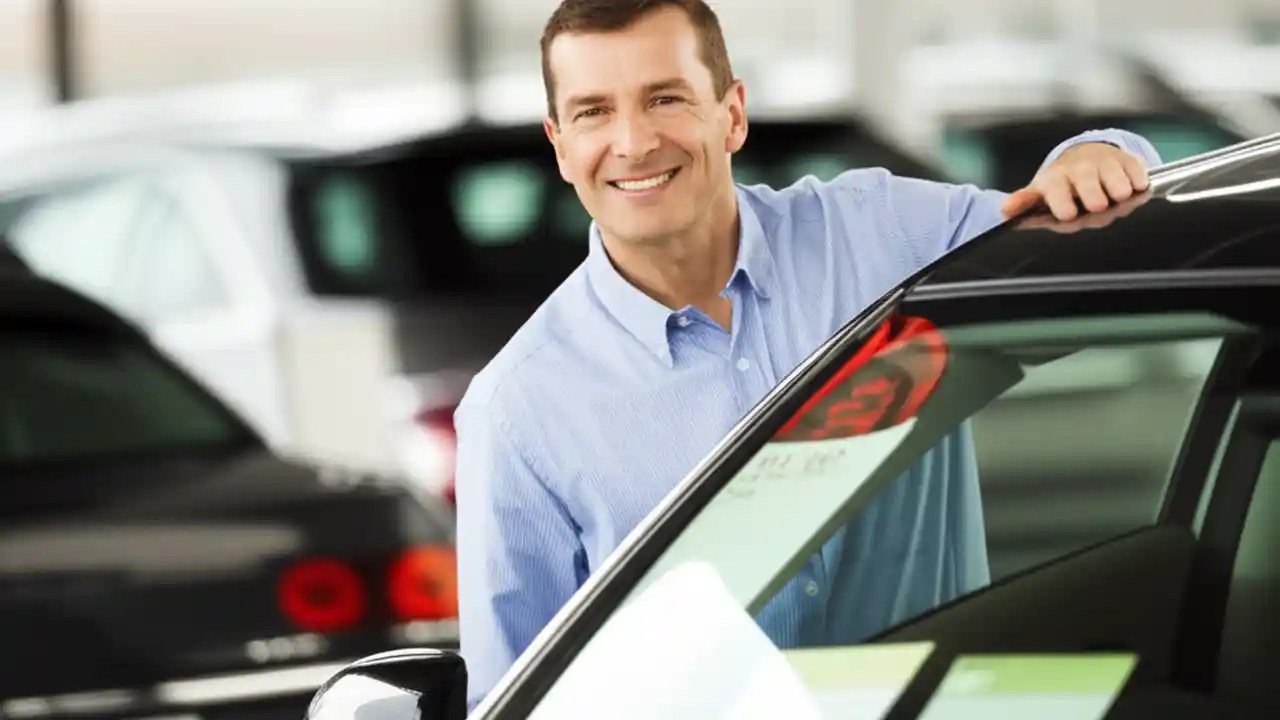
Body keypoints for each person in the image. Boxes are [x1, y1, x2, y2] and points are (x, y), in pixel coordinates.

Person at [454, 0, 1162, 710]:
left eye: (664, 98)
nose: (633, 142)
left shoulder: (881, 235)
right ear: (559, 143)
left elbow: (1078, 217)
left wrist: (1099, 152)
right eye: (593, 112)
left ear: (732, 114)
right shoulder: (517, 410)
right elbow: (516, 698)